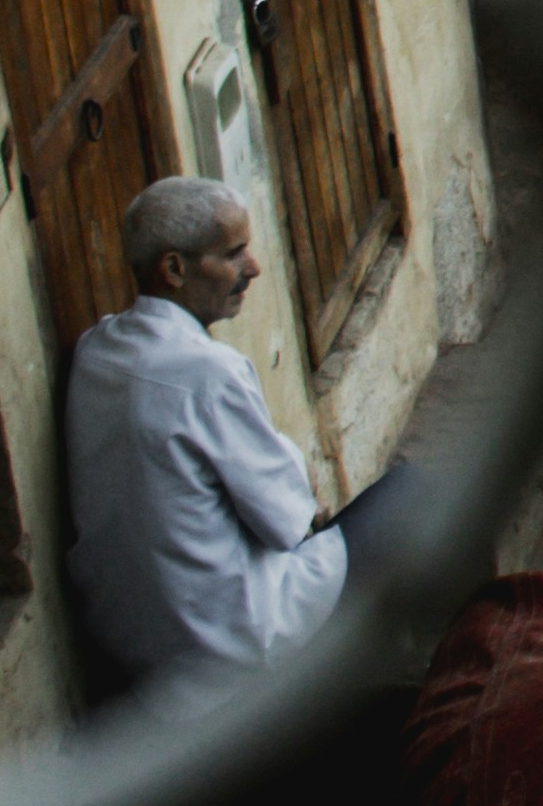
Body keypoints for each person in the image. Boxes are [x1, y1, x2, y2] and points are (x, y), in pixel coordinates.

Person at [63, 174, 373, 696]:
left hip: (135, 641)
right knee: (416, 499)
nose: (251, 268)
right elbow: (292, 522)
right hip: (233, 642)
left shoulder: (95, 350)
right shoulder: (208, 374)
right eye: (233, 255)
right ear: (174, 270)